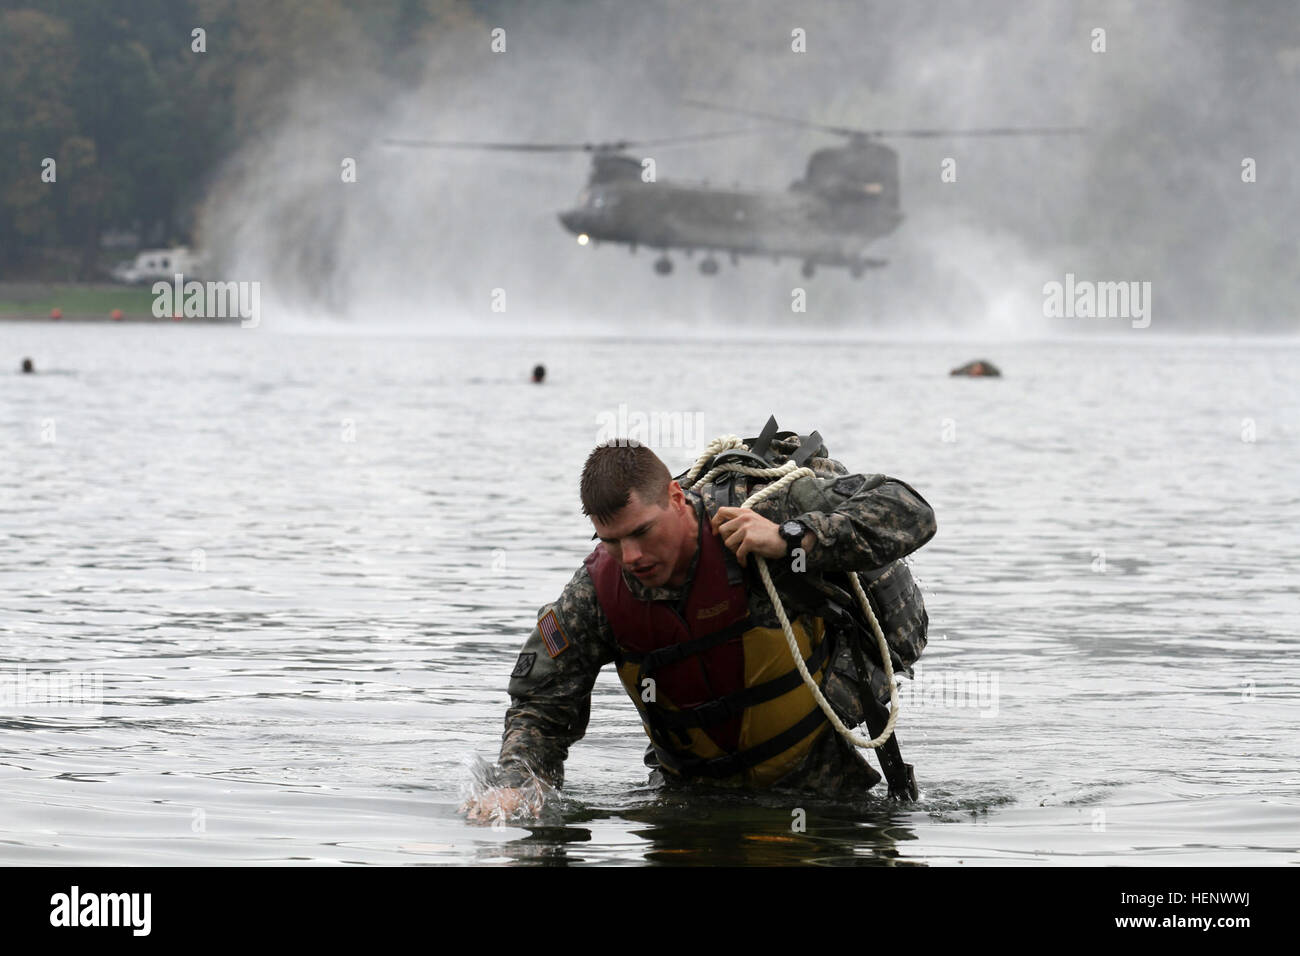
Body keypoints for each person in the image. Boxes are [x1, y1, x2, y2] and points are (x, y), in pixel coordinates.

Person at [461, 426, 937, 823]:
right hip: (691, 802)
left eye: (642, 532)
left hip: (823, 793)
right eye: (611, 540)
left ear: (676, 497)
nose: (632, 557)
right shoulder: (596, 595)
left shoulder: (764, 513)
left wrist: (793, 538)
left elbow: (910, 511)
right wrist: (517, 788)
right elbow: (541, 706)